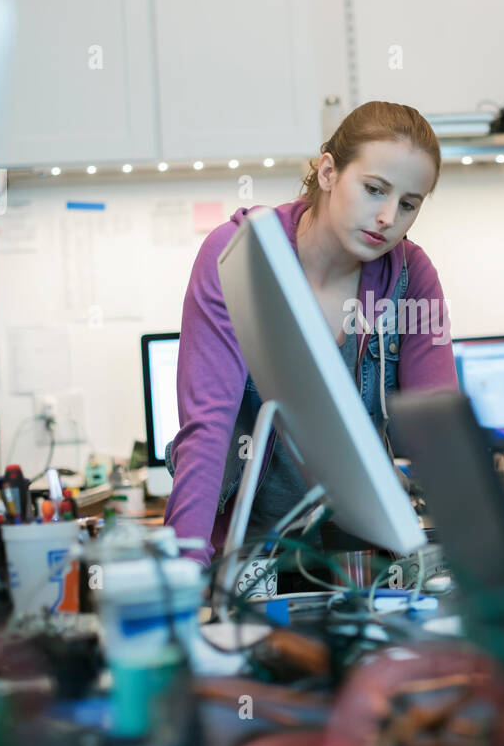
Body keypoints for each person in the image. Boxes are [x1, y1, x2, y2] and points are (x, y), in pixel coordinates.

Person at [162, 101, 457, 571]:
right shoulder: (239, 255)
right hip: (248, 553)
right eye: (374, 189)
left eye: (408, 204)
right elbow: (208, 428)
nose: (387, 217)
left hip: (363, 554)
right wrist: (183, 572)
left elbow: (440, 436)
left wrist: (480, 561)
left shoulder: (411, 276)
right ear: (327, 173)